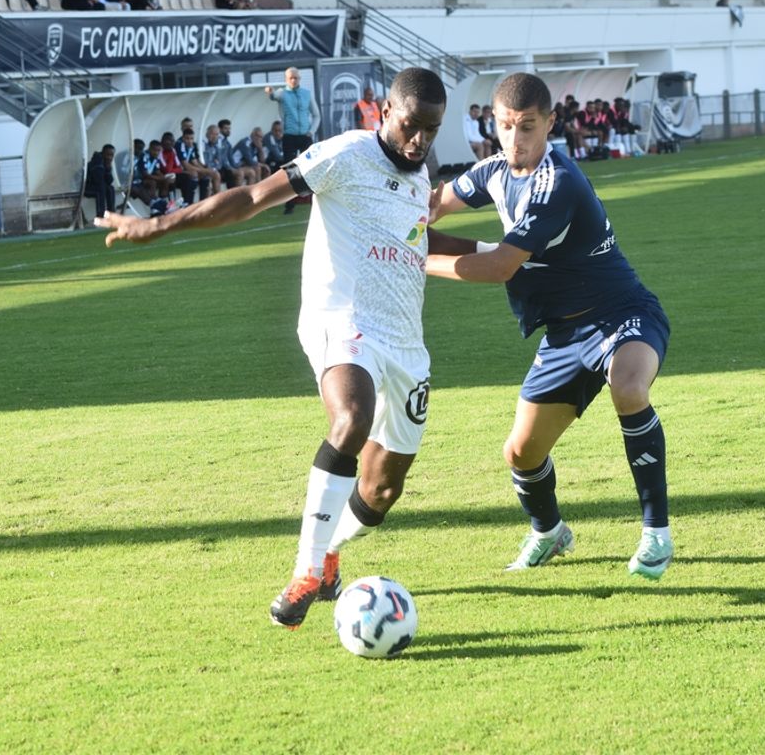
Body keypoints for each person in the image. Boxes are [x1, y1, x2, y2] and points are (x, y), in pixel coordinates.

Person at [96, 67, 470, 629]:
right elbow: (250, 195)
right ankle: (305, 571)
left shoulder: (420, 178)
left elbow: (416, 238)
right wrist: (159, 226)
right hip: (341, 318)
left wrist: (510, 252)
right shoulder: (342, 156)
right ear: (386, 111)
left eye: (431, 131)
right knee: (351, 418)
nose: (420, 140)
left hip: (405, 344)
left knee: (382, 490)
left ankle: (333, 549)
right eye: (412, 126)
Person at [426, 72, 675, 580]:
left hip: (622, 312)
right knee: (520, 452)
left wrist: (408, 258)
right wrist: (386, 211)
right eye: (505, 126)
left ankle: (657, 535)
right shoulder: (496, 169)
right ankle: (548, 532)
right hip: (564, 335)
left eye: (527, 127)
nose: (515, 140)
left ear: (550, 124)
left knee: (628, 387)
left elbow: (498, 267)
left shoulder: (557, 182)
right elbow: (435, 204)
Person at [265, 67, 320, 213]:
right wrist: (270, 92)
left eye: (296, 78)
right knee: (289, 170)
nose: (294, 80)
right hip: (289, 136)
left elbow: (316, 115)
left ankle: (314, 201)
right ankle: (289, 204)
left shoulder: (306, 94)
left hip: (305, 136)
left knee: (312, 168)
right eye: (291, 78)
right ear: (286, 79)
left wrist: (311, 131)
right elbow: (273, 96)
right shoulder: (283, 93)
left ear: (299, 79)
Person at [175, 128, 216, 201]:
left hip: (185, 170)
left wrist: (205, 171)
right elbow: (185, 165)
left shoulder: (192, 145)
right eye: (187, 138)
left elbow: (195, 162)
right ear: (183, 138)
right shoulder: (180, 145)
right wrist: (204, 171)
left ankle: (203, 201)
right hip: (177, 171)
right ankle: (188, 202)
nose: (190, 141)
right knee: (194, 174)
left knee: (205, 175)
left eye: (191, 138)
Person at [84, 144, 119, 219]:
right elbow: (98, 180)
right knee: (100, 189)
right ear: (103, 153)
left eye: (111, 155)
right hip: (85, 188)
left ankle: (111, 214)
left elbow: (109, 182)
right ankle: (100, 216)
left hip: (96, 187)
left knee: (110, 188)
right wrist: (106, 168)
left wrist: (108, 169)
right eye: (107, 154)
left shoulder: (107, 163)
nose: (109, 157)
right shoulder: (96, 162)